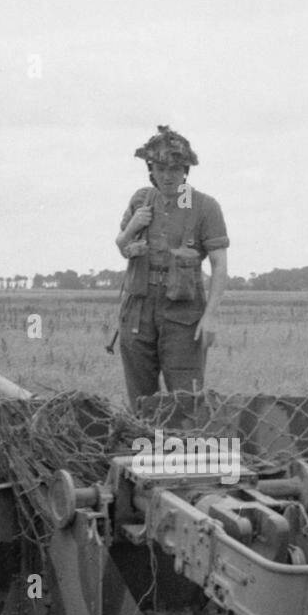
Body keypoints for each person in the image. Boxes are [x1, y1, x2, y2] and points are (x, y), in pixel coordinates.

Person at [112, 125, 229, 407]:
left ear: (186, 170)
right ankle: (146, 446)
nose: (167, 176)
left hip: (183, 311)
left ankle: (184, 449)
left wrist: (210, 317)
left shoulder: (204, 206)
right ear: (150, 169)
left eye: (175, 169)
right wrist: (133, 227)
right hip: (138, 308)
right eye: (160, 169)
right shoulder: (141, 200)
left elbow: (219, 266)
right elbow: (122, 247)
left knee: (185, 398)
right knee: (141, 399)